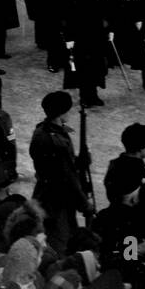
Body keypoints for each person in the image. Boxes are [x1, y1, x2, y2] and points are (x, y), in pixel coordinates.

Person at [29, 90, 92, 253]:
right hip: (58, 199)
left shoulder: (41, 131)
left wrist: (77, 161)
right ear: (61, 113)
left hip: (43, 191)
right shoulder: (57, 142)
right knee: (61, 241)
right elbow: (68, 177)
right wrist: (84, 203)